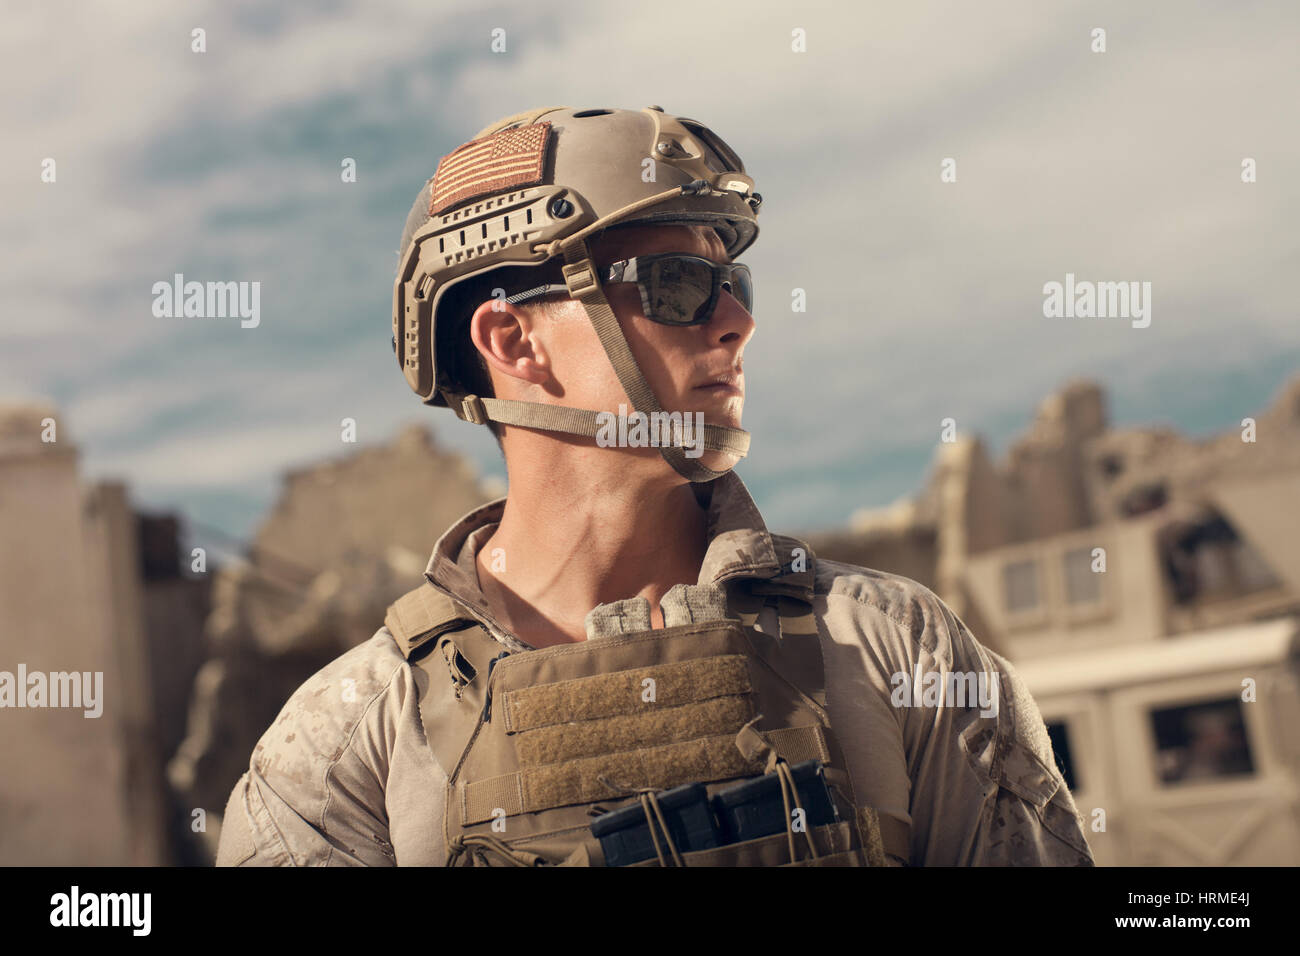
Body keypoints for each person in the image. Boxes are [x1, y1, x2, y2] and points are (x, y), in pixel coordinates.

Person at [215, 105, 1094, 867]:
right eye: (679, 286)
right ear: (514, 343)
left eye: (733, 283)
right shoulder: (345, 740)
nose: (738, 323)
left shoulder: (898, 651)